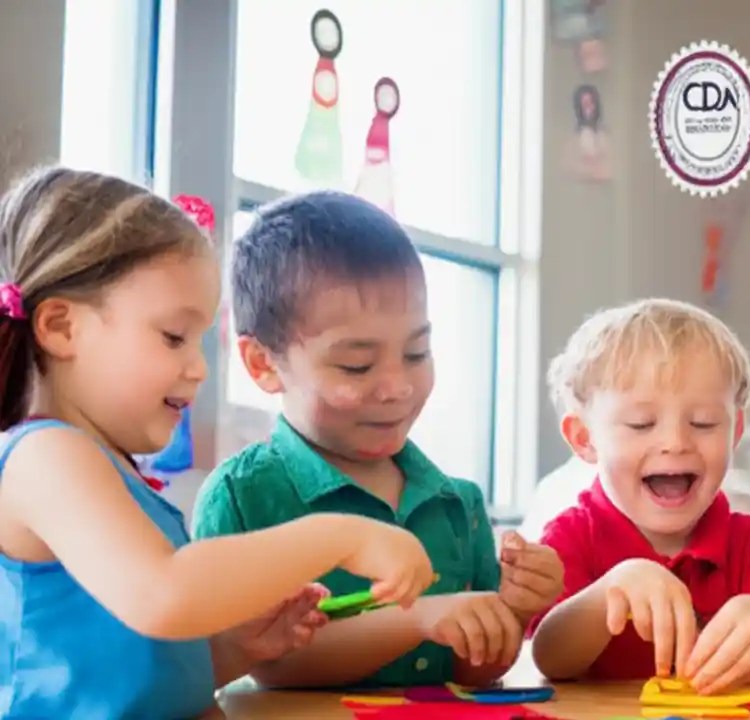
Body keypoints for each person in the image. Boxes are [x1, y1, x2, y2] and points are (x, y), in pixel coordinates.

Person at [0, 167, 434, 718]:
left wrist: (234, 651)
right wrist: (338, 537)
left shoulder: (115, 471)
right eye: (174, 337)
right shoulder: (44, 457)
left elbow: (138, 669)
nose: (199, 368)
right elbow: (164, 595)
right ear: (63, 328)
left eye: (200, 340)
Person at [193, 191, 564, 689]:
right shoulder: (242, 497)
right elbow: (268, 665)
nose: (398, 387)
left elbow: (473, 671)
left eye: (417, 353)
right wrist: (419, 618)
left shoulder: (459, 505)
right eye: (357, 365)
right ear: (264, 364)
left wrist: (510, 614)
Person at [530, 299, 750, 695]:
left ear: (735, 432)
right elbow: (547, 657)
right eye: (641, 424)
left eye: (703, 423)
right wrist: (608, 594)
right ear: (584, 439)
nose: (675, 442)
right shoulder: (571, 536)